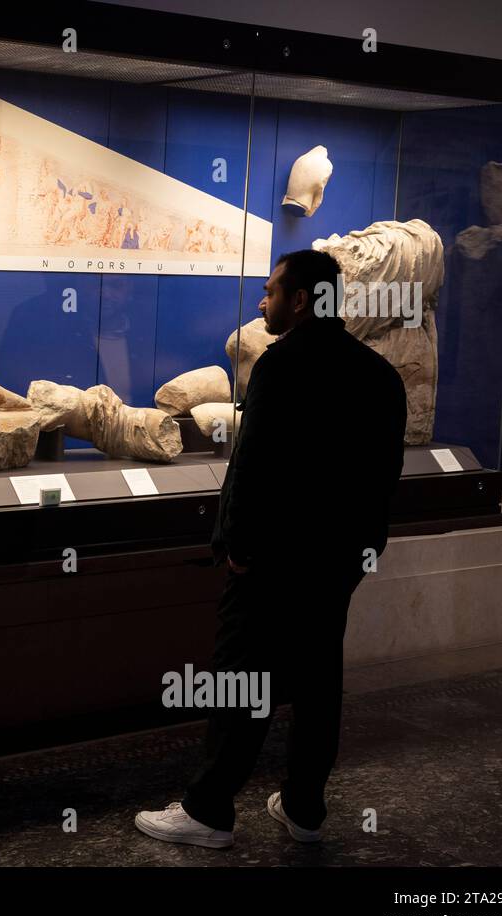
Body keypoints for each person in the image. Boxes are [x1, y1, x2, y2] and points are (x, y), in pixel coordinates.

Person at [135, 249, 408, 849]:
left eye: (271, 291)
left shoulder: (282, 366)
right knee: (317, 679)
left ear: (302, 299)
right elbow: (383, 477)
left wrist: (239, 546)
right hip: (337, 562)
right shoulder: (379, 375)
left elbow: (254, 466)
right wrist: (362, 550)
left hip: (272, 561)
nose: (262, 302)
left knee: (242, 677)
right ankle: (306, 809)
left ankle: (208, 810)